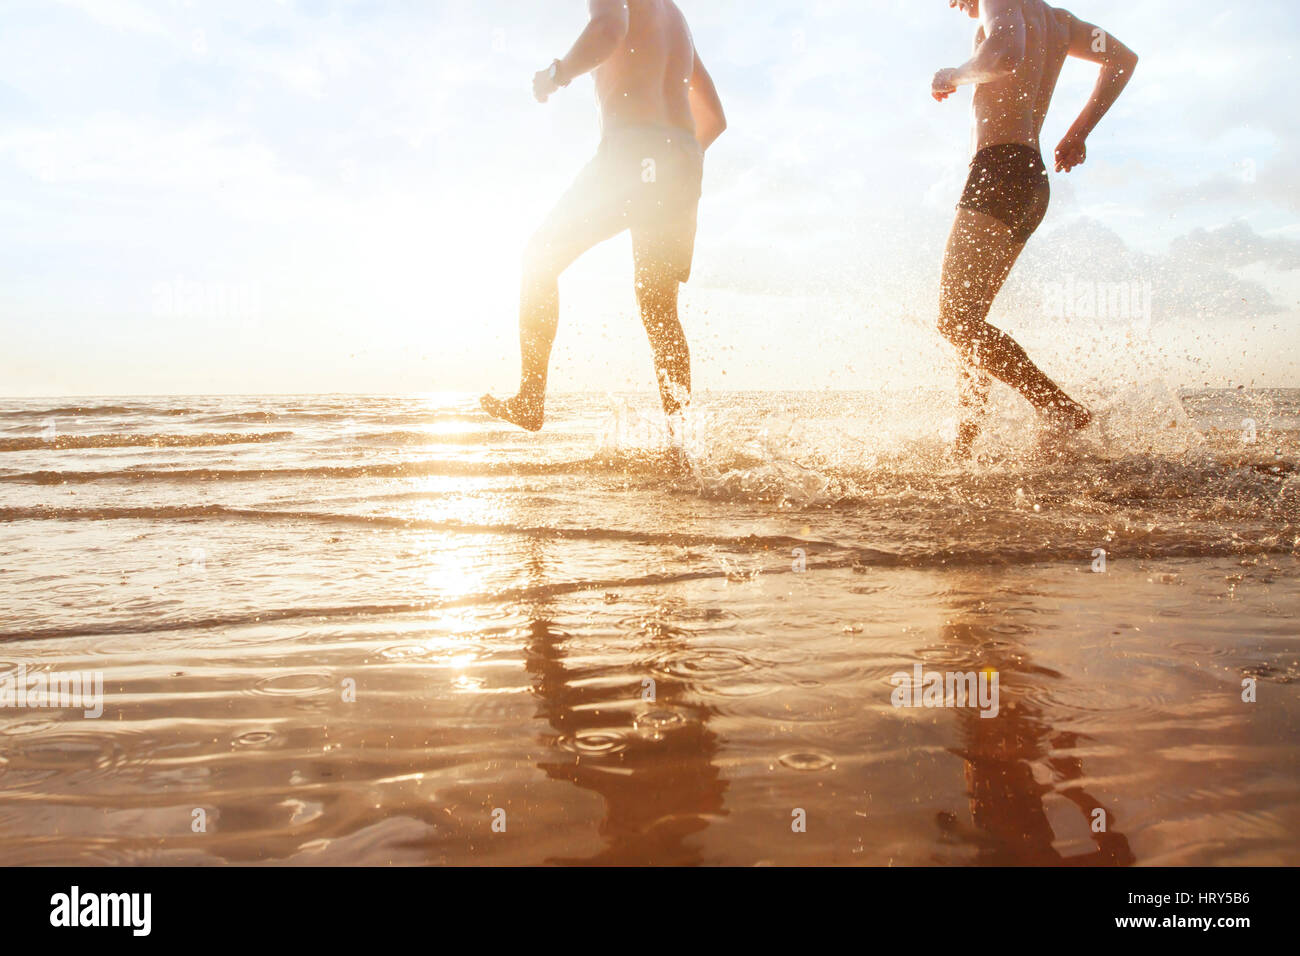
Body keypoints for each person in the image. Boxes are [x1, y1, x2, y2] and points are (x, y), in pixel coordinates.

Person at [482, 0, 726, 432]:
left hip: (635, 151)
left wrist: (556, 75)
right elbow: (714, 118)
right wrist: (672, 169)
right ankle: (682, 444)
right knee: (659, 309)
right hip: (683, 160)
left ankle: (530, 399)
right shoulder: (675, 18)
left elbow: (609, 31)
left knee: (539, 257)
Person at [931, 0, 1138, 454]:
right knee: (969, 323)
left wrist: (953, 75)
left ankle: (1060, 408)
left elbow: (1004, 55)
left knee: (954, 322)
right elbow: (1123, 58)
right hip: (1029, 180)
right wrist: (1079, 131)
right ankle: (966, 444)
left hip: (999, 171)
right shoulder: (1061, 22)